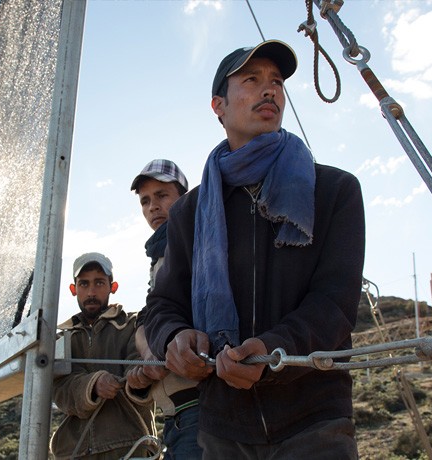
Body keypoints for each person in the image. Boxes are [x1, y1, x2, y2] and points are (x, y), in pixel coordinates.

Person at [143, 39, 365, 459]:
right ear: (218, 107)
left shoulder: (334, 191)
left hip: (315, 420)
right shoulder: (190, 212)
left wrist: (273, 350)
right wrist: (174, 337)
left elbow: (335, 304)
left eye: (277, 82)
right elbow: (162, 305)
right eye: (251, 80)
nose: (270, 90)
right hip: (223, 427)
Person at [126, 159, 204, 459]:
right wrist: (149, 357)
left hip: (201, 404)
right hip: (176, 411)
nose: (152, 207)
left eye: (162, 195)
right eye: (145, 201)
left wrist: (153, 348)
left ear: (183, 198)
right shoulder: (159, 255)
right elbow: (148, 319)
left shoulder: (195, 244)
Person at [50, 252, 156, 459]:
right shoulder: (61, 339)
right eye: (84, 284)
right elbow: (60, 390)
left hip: (130, 446)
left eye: (99, 283)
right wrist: (93, 384)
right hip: (73, 452)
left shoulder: (134, 325)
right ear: (74, 289)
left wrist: (139, 379)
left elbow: (139, 366)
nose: (91, 292)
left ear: (112, 287)